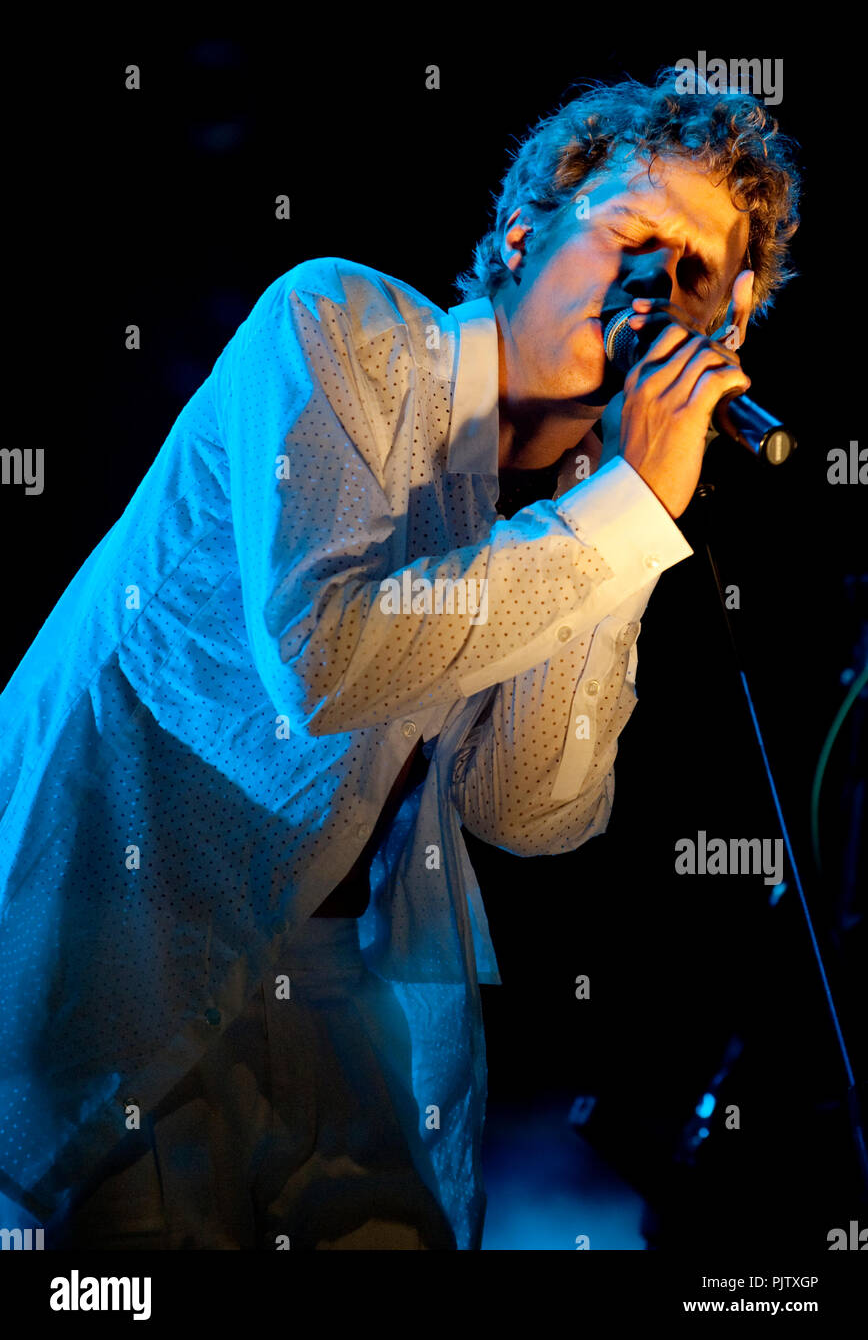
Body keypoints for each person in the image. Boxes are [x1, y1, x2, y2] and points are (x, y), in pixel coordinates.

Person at [0, 67, 800, 1250]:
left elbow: (531, 806)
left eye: (697, 277)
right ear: (523, 233)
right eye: (634, 234)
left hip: (348, 999)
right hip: (133, 958)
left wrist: (626, 521)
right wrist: (618, 517)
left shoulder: (583, 504)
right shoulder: (340, 326)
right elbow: (320, 662)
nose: (656, 284)